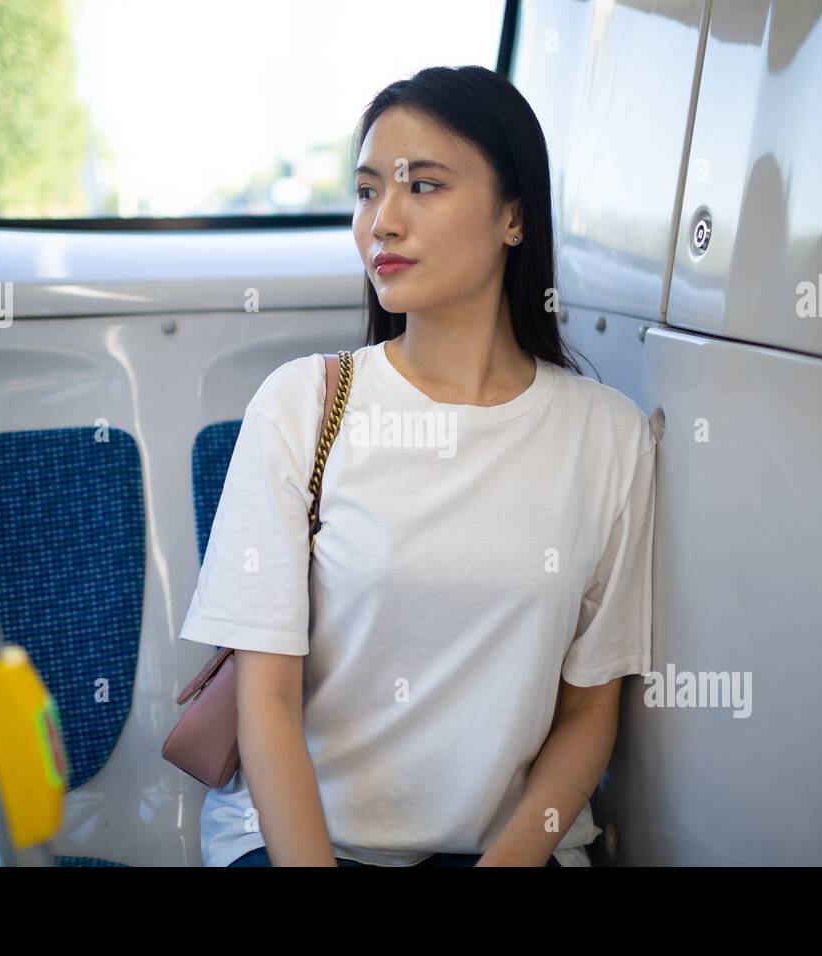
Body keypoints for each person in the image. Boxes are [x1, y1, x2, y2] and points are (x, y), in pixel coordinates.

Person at [178, 65, 656, 867]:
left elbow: (588, 713)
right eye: (368, 192)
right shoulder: (300, 404)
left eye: (422, 187)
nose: (382, 223)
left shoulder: (609, 435)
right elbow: (266, 698)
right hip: (300, 842)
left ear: (514, 217)